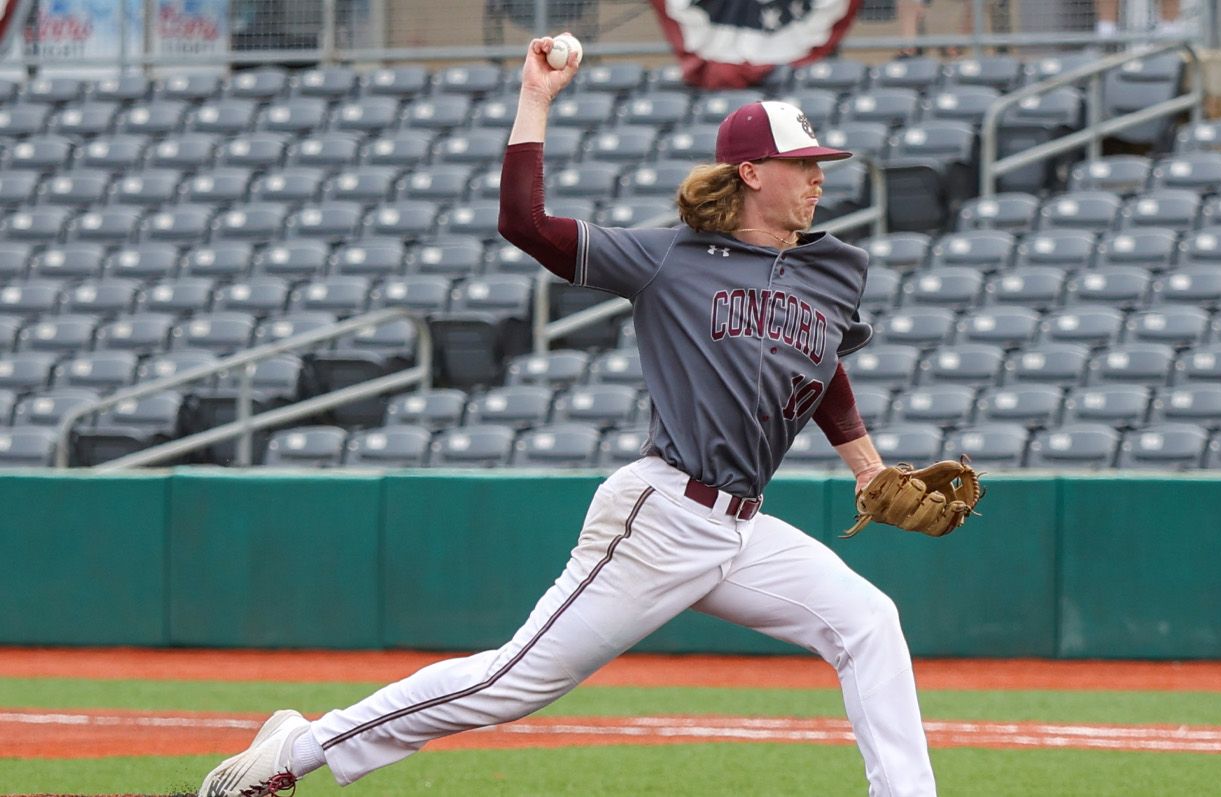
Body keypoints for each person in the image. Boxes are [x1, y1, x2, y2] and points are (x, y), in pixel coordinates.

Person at [199, 36, 938, 797]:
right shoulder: (668, 257)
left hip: (741, 528)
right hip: (662, 515)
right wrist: (536, 100)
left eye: (820, 163)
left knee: (868, 620)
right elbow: (526, 223)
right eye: (802, 163)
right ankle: (300, 748)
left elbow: (823, 366)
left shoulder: (831, 270)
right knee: (512, 682)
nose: (819, 176)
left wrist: (868, 468)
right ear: (751, 173)